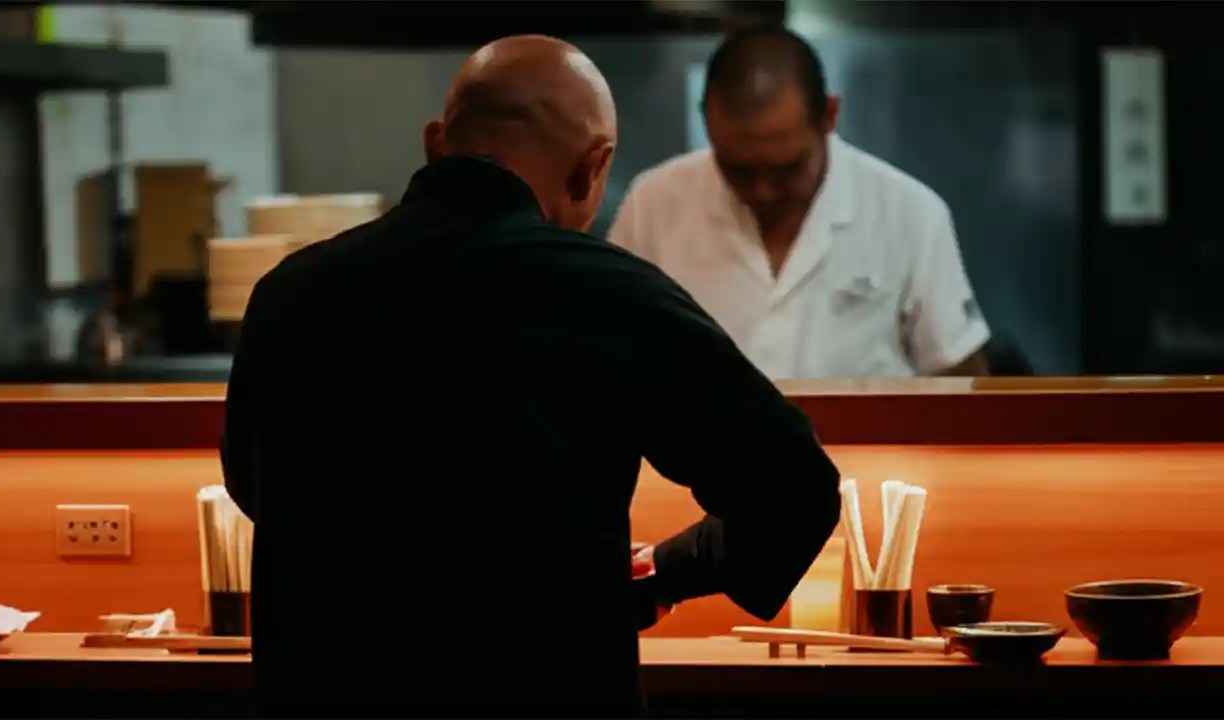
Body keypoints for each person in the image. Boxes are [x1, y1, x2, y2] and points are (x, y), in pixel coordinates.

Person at [221, 34, 840, 718]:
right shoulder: (609, 295)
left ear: (436, 142)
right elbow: (795, 489)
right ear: (591, 170)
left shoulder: (290, 293)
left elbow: (255, 488)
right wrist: (666, 571)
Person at [608, 24, 991, 380]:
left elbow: (959, 376)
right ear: (707, 122)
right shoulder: (652, 204)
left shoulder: (909, 214)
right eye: (738, 170)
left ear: (829, 115)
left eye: (786, 169)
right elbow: (602, 351)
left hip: (866, 452)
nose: (763, 191)